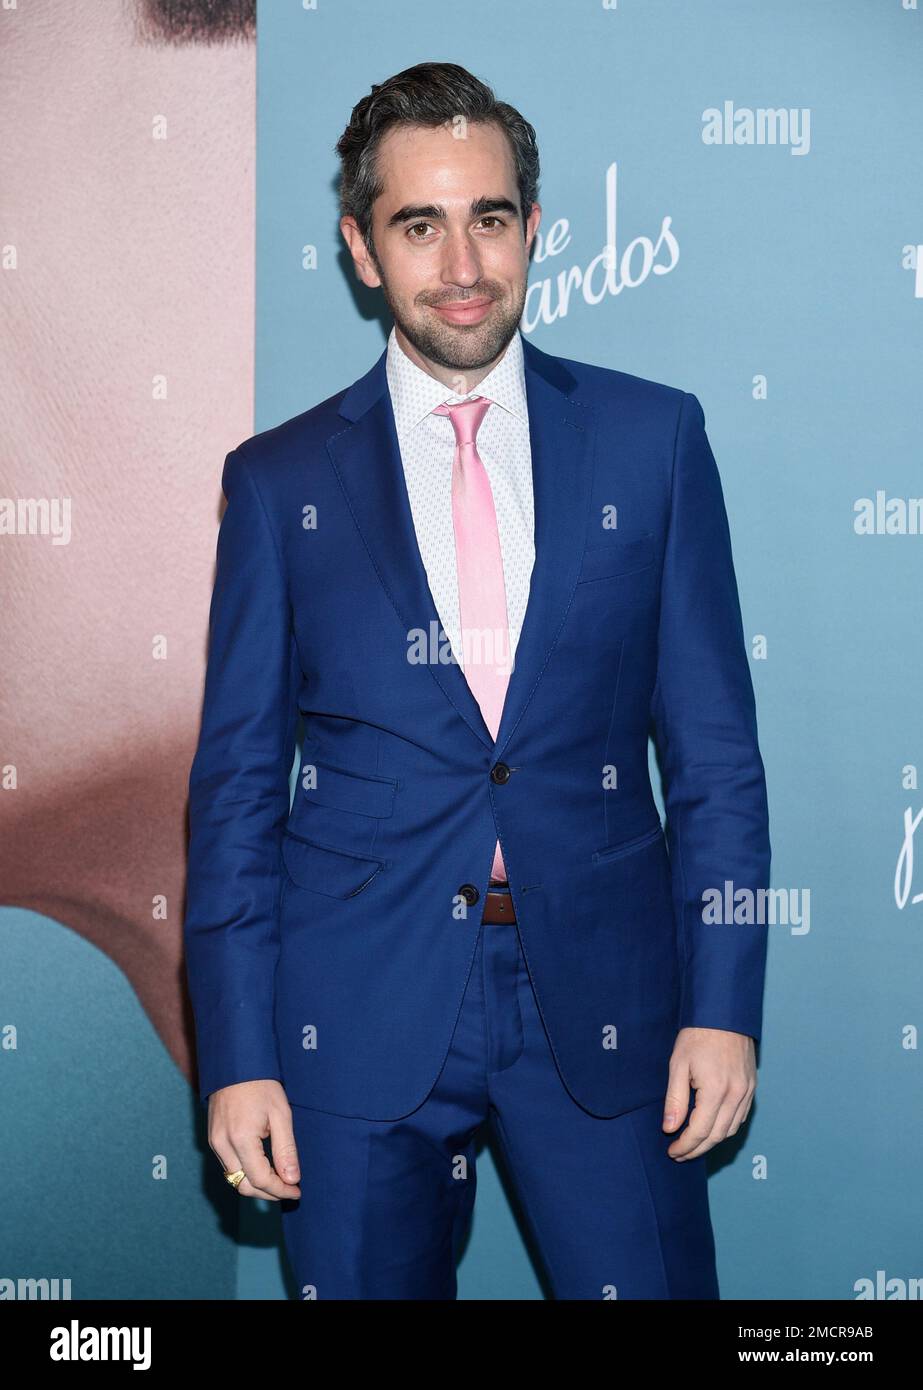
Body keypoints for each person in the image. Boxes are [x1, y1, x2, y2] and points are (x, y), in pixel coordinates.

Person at [184, 61, 771, 1301]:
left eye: (489, 218)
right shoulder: (278, 482)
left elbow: (715, 758)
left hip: (606, 999)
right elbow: (235, 786)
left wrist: (723, 1006)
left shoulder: (650, 440)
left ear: (533, 230)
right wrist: (236, 1053)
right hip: (350, 1004)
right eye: (417, 223)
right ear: (359, 248)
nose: (461, 263)